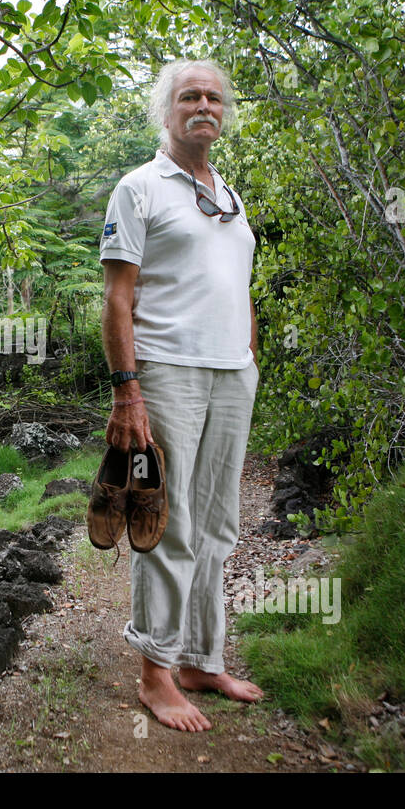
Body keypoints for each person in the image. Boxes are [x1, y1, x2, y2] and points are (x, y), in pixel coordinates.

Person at [99, 58, 264, 732]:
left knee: (219, 526)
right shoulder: (138, 189)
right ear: (165, 111)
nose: (204, 105)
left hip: (232, 374)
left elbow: (236, 285)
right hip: (165, 372)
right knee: (167, 520)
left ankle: (201, 657)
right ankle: (156, 674)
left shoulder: (228, 194)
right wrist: (126, 393)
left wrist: (247, 353)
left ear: (224, 113)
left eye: (214, 97)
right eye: (189, 95)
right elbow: (116, 299)